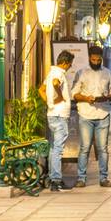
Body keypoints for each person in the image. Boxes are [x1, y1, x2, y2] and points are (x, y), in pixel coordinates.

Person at [71, 43, 111, 187]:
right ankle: (81, 178)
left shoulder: (108, 73)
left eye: (98, 60)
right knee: (85, 147)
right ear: (89, 58)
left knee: (103, 148)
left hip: (103, 113)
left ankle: (103, 177)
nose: (96, 62)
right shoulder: (81, 73)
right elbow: (74, 94)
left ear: (101, 58)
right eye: (94, 60)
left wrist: (108, 97)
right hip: (85, 114)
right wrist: (87, 98)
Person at [42, 49, 74, 192]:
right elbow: (56, 84)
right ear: (65, 63)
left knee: (54, 147)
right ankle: (56, 180)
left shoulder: (50, 73)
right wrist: (60, 98)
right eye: (70, 64)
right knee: (58, 149)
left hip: (52, 114)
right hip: (60, 115)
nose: (70, 67)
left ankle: (52, 177)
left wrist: (50, 103)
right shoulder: (59, 74)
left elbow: (41, 90)